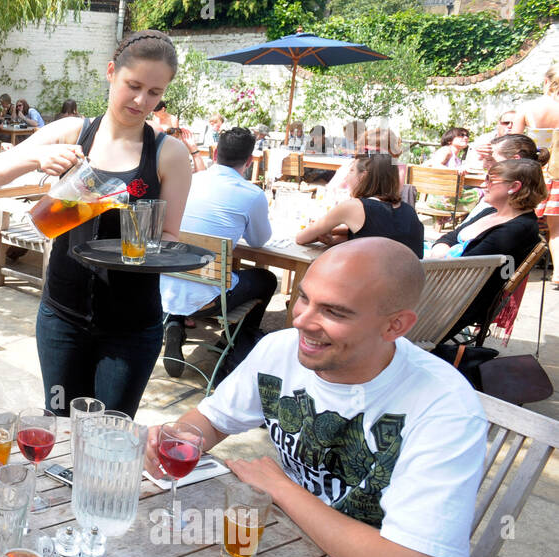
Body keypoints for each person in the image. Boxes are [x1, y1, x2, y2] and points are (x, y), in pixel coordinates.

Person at [145, 239, 487, 557]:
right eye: (304, 298)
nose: (303, 321)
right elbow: (211, 420)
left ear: (395, 325)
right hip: (293, 536)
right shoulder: (282, 350)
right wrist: (179, 438)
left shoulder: (444, 408)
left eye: (334, 312)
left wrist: (280, 488)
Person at [0, 30, 193, 416]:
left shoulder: (169, 153)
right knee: (59, 422)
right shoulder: (73, 132)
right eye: (133, 85)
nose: (141, 100)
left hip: (131, 325)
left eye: (155, 92)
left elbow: (169, 236)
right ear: (111, 72)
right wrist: (38, 158)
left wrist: (138, 243)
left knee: (108, 436)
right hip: (61, 316)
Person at [160, 127, 276, 379]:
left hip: (163, 289)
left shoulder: (189, 180)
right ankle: (234, 346)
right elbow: (258, 241)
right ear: (249, 161)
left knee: (206, 268)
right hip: (208, 301)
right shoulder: (251, 194)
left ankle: (174, 324)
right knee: (267, 279)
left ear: (215, 153)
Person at [429, 158, 546, 340]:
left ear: (514, 186)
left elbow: (465, 268)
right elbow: (449, 237)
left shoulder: (518, 228)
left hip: (455, 303)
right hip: (442, 287)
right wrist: (440, 253)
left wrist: (438, 257)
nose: (484, 184)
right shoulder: (492, 211)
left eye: (490, 180)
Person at [296, 152, 425, 258]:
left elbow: (301, 238)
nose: (346, 177)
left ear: (363, 176)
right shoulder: (409, 211)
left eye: (351, 171)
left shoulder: (354, 207)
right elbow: (378, 236)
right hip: (407, 287)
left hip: (367, 286)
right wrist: (333, 239)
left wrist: (325, 228)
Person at [514, 65, 559, 287]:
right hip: (557, 174)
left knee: (521, 219)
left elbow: (513, 141)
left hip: (533, 173)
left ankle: (517, 265)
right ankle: (558, 271)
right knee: (556, 229)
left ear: (545, 81)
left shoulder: (528, 107)